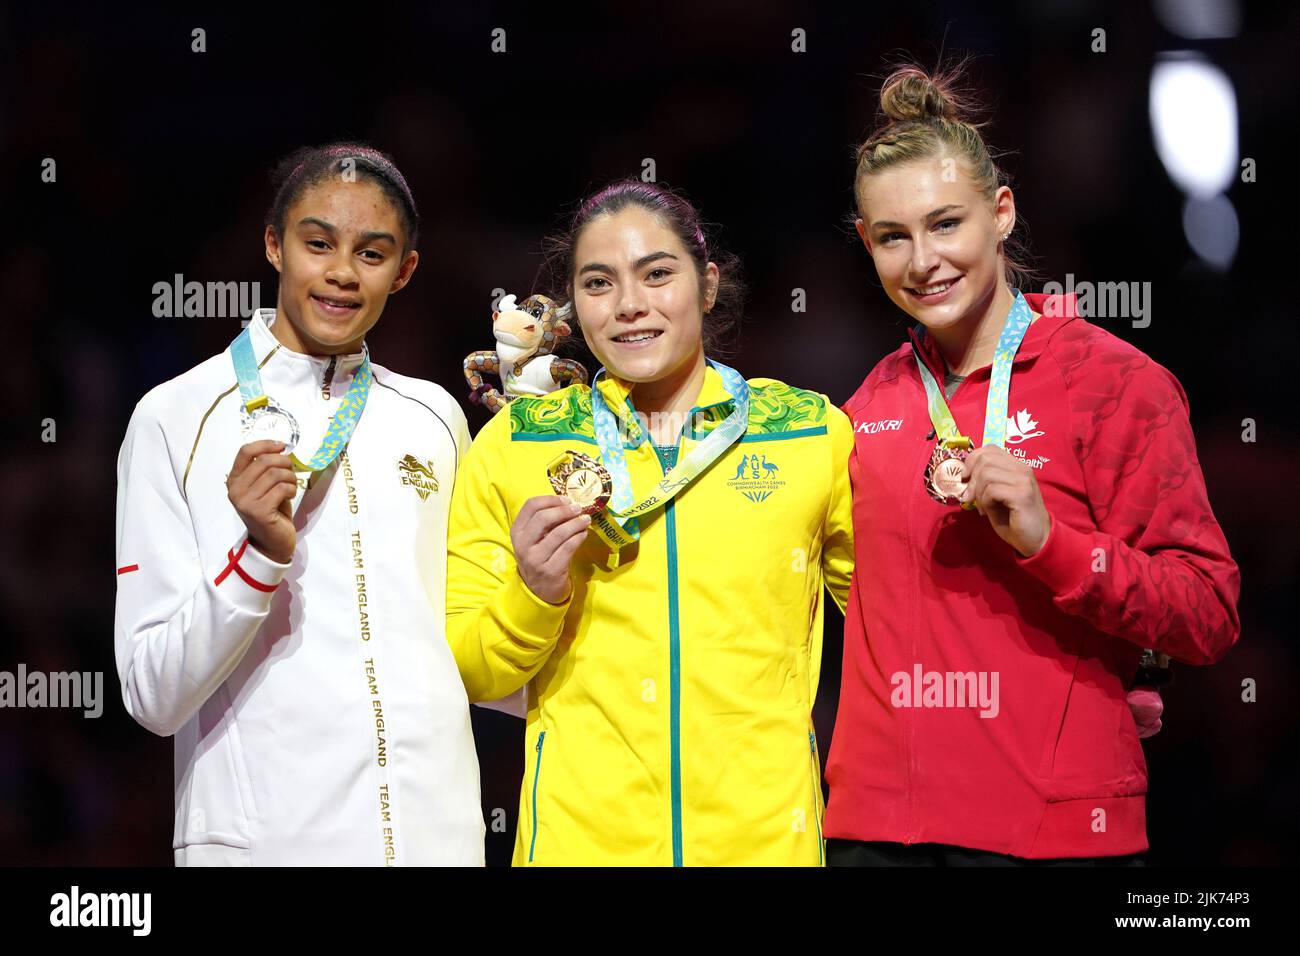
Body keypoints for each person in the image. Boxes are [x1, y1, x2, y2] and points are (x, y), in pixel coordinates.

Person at [824, 65, 1242, 865]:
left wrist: (1055, 543)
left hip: (1049, 832)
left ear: (1002, 212)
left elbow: (1208, 613)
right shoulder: (861, 408)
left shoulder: (1116, 384)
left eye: (946, 224)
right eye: (893, 237)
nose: (923, 262)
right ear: (865, 242)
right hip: (874, 834)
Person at [445, 180, 855, 865]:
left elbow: (893, 624)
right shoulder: (518, 442)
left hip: (763, 849)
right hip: (577, 848)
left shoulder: (808, 434)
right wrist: (534, 594)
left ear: (708, 284)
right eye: (599, 283)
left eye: (658, 274)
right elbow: (468, 669)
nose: (630, 306)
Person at [114, 143, 485, 865]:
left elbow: (468, 649)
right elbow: (151, 693)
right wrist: (258, 560)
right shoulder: (175, 417)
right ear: (274, 244)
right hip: (265, 847)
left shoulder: (434, 417)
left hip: (437, 842)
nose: (342, 273)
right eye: (319, 244)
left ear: (405, 270)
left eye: (372, 254)